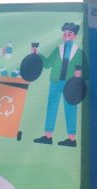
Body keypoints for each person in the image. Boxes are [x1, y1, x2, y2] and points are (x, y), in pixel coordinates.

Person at [33, 21, 83, 149]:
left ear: (75, 36)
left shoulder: (78, 51)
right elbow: (48, 63)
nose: (67, 35)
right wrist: (37, 54)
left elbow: (82, 67)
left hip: (70, 84)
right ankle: (48, 136)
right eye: (65, 33)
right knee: (51, 108)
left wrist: (78, 75)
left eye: (70, 33)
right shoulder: (58, 50)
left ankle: (71, 139)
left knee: (70, 109)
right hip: (55, 82)